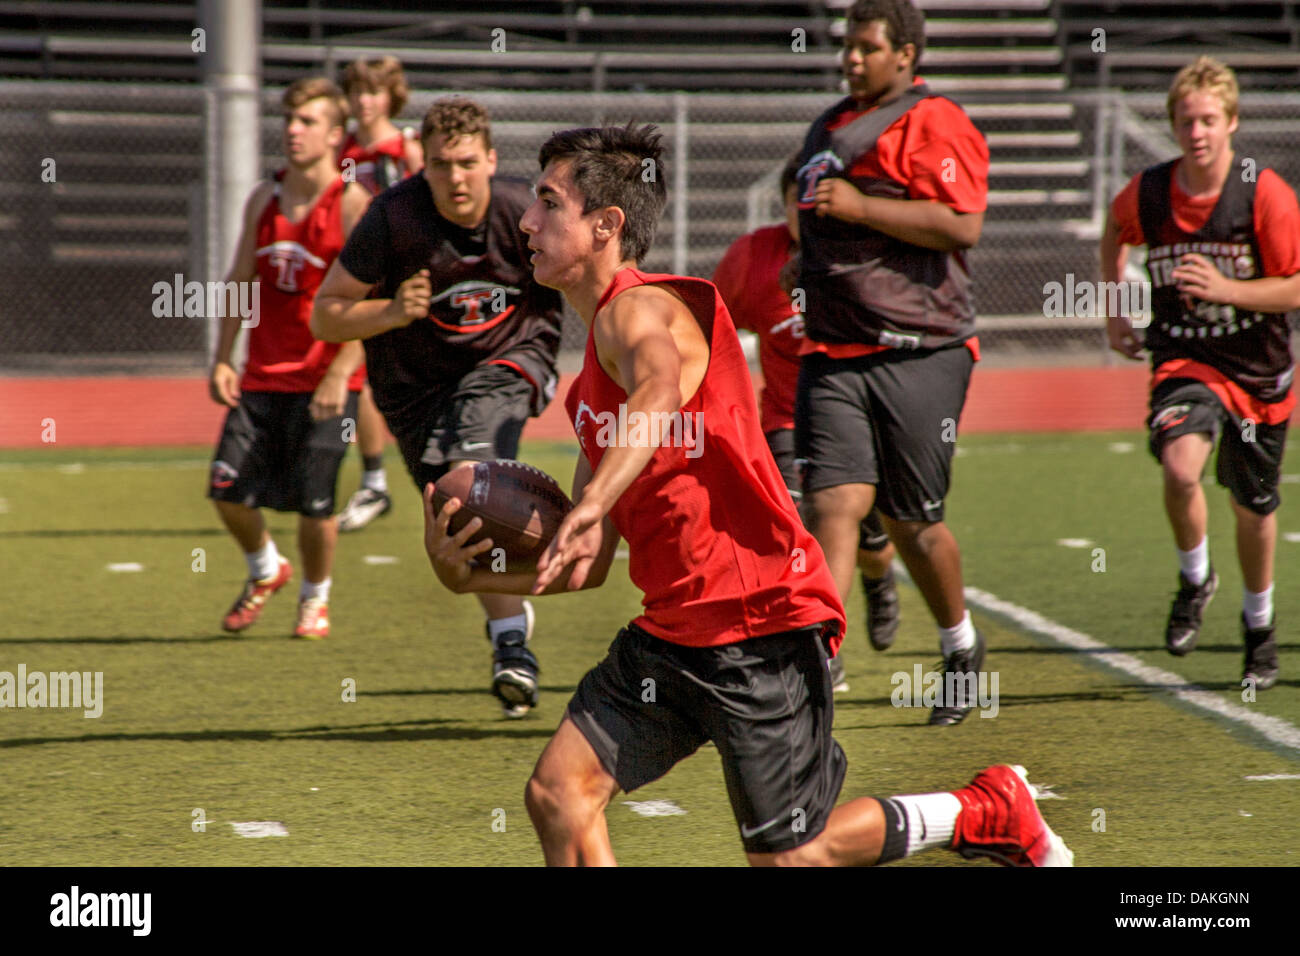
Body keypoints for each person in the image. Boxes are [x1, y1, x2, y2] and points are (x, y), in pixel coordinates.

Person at [422, 122, 1071, 867]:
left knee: (796, 857)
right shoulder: (590, 393)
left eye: (547, 203)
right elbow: (587, 562)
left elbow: (661, 387)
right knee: (559, 797)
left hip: (760, 626)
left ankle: (981, 809)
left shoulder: (644, 310)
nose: (527, 221)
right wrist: (467, 575)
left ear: (607, 226)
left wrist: (596, 498)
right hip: (671, 637)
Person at [311, 96, 564, 718]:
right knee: (451, 509)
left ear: (492, 160)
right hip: (414, 387)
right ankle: (511, 627)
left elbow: (581, 273)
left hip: (509, 359)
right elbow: (327, 313)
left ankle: (512, 652)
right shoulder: (391, 218)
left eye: (469, 163)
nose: (457, 178)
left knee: (472, 477)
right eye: (442, 164)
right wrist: (394, 311)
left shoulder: (523, 212)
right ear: (422, 164)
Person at [792, 0, 990, 724]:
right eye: (848, 45)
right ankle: (821, 658)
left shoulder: (937, 122)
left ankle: (961, 646)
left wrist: (859, 208)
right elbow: (809, 207)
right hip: (834, 351)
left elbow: (961, 223)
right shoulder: (831, 123)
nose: (851, 58)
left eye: (868, 48)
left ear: (906, 55)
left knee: (912, 520)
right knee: (832, 504)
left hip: (920, 349)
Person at [1102, 56, 1300, 689]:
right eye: (1187, 120)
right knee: (1181, 466)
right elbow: (1113, 232)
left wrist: (1225, 287)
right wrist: (1114, 312)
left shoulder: (1263, 192)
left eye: (1210, 120)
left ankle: (1258, 628)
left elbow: (1293, 288)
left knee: (1252, 509)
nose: (1197, 132)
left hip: (1257, 371)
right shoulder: (1150, 192)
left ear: (1232, 122)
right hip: (1185, 356)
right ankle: (1194, 578)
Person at [711, 153, 901, 695]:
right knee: (799, 522)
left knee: (867, 533)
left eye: (822, 197)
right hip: (788, 416)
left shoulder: (861, 251)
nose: (811, 209)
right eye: (801, 200)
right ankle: (820, 646)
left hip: (859, 413)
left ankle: (879, 576)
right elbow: (713, 326)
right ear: (785, 206)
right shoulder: (752, 257)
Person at [207, 77, 371, 639]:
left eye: (307, 122)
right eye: (289, 120)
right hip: (262, 377)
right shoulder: (264, 197)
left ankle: (314, 597)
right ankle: (266, 569)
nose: (293, 131)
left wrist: (342, 372)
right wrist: (223, 357)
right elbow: (238, 281)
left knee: (315, 506)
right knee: (226, 490)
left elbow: (368, 298)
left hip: (326, 383)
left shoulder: (352, 203)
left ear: (333, 134)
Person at [333, 55, 426, 533]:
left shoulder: (406, 148)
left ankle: (393, 482)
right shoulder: (342, 152)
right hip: (360, 279)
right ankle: (373, 482)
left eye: (373, 91)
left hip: (404, 280)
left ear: (392, 95)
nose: (363, 101)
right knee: (364, 377)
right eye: (356, 92)